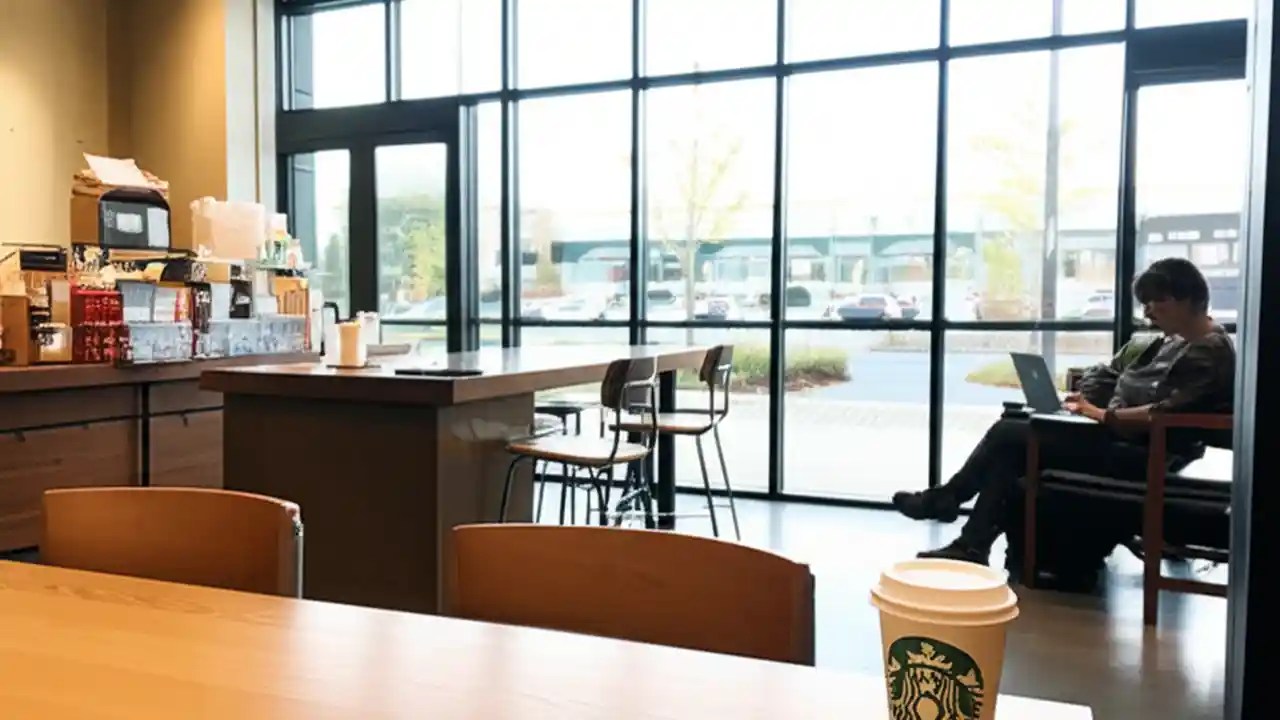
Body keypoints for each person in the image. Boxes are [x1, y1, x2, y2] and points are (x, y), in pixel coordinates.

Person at [893, 257, 1236, 565]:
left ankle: (952, 508)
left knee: (1009, 434)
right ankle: (970, 543)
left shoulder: (1210, 350)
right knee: (1014, 435)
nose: (1147, 312)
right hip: (1119, 437)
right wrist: (1088, 403)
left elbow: (1165, 414)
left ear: (1187, 299)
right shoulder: (1175, 341)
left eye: (1155, 302)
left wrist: (1102, 414)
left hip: (1144, 453)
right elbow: (1123, 380)